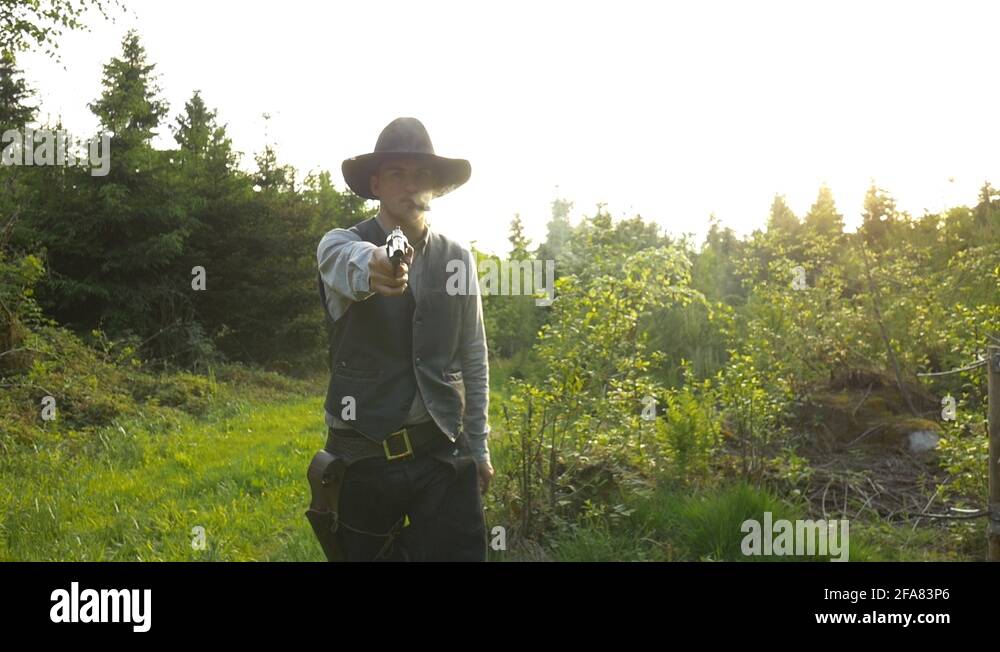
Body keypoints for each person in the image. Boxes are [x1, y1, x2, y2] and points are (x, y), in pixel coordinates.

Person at [315, 116, 493, 561]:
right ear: (375, 183)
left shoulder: (457, 259)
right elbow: (354, 262)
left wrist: (477, 445)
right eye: (397, 173)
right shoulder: (339, 244)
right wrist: (378, 263)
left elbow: (473, 354)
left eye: (422, 174)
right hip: (364, 457)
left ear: (435, 187)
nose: (410, 185)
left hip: (441, 452)